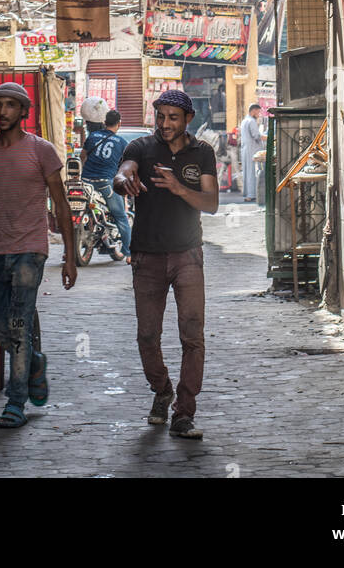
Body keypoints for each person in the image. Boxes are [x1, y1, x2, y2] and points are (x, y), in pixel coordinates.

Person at [0, 80, 76, 430]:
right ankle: (36, 363)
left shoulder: (42, 151)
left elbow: (60, 203)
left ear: (24, 111)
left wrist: (70, 256)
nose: (3, 111)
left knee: (19, 322)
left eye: (11, 105)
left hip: (30, 248)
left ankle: (16, 402)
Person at [113, 88, 218, 440]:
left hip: (188, 255)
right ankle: (162, 390)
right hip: (146, 256)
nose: (165, 123)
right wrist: (123, 179)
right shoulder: (140, 148)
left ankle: (184, 413)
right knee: (147, 336)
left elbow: (211, 203)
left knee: (192, 336)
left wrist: (178, 188)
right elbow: (123, 172)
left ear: (188, 119)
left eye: (173, 117)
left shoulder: (202, 152)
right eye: (160, 116)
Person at [80, 108, 132, 257]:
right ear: (119, 124)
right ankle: (128, 253)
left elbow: (83, 156)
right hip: (105, 183)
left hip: (86, 182)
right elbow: (125, 166)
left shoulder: (93, 137)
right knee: (121, 216)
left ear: (104, 122)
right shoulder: (122, 143)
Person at [240, 105, 264, 203]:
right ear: (253, 111)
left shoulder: (244, 121)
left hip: (245, 149)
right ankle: (251, 194)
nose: (259, 115)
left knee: (247, 171)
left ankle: (248, 194)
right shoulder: (251, 122)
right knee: (252, 172)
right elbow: (257, 136)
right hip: (252, 149)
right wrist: (270, 137)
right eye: (258, 112)